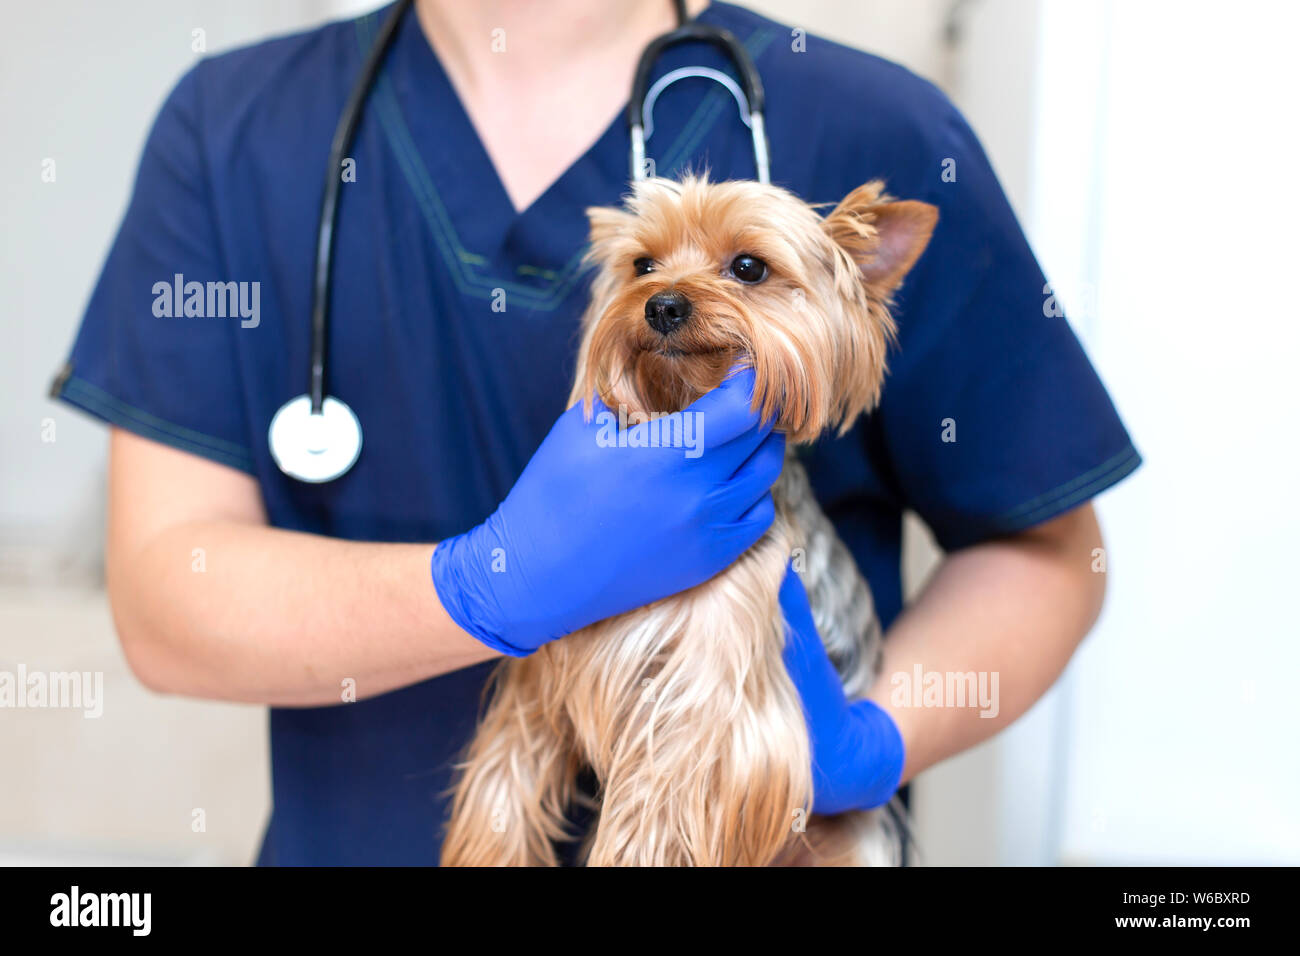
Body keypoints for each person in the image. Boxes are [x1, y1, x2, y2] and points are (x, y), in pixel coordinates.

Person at [53, 0, 1140, 865]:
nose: (674, 297)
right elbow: (163, 597)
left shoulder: (873, 120)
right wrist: (480, 588)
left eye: (744, 268)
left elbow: (1051, 554)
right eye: (645, 269)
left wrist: (875, 740)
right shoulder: (232, 130)